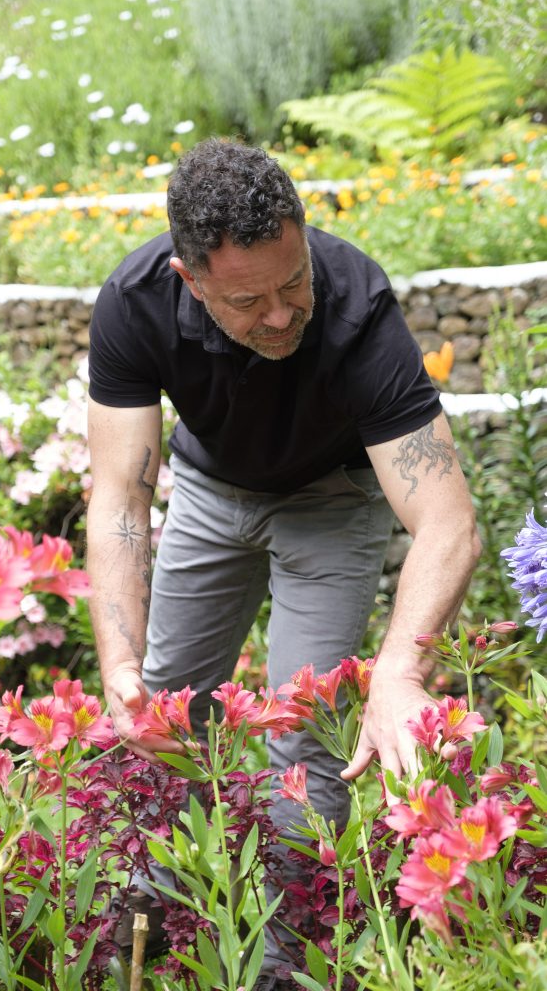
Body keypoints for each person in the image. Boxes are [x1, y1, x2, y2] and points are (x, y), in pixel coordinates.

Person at [85, 138, 481, 987]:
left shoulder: (356, 306)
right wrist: (118, 661)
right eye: (248, 299)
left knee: (305, 741)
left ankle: (286, 968)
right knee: (160, 718)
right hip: (207, 490)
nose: (279, 314)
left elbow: (447, 522)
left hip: (332, 502)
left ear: (305, 239)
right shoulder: (134, 301)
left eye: (292, 281)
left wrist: (399, 676)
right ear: (191, 281)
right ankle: (145, 942)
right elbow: (120, 498)